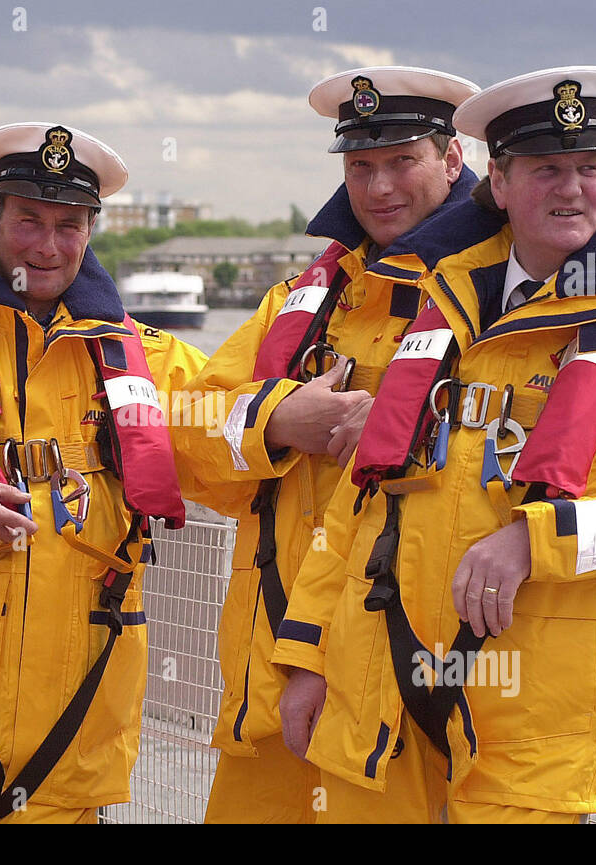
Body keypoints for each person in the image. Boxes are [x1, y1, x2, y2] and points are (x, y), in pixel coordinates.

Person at [274, 66, 596, 823]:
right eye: (546, 168)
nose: (571, 188)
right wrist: (304, 658)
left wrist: (538, 539)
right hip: (376, 689)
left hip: (527, 715)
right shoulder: (443, 299)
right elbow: (359, 499)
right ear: (500, 180)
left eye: (591, 167)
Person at [174, 67, 479, 823]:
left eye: (402, 161)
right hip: (272, 680)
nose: (379, 188)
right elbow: (183, 433)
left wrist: (409, 419)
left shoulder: (499, 293)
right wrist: (278, 421)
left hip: (413, 693)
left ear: (452, 159)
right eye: (360, 166)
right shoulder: (304, 298)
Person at [0, 122, 209, 824]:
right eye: (28, 218)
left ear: (93, 230)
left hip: (71, 743)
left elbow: (229, 428)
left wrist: (291, 415)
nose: (48, 245)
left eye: (70, 224)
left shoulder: (145, 358)